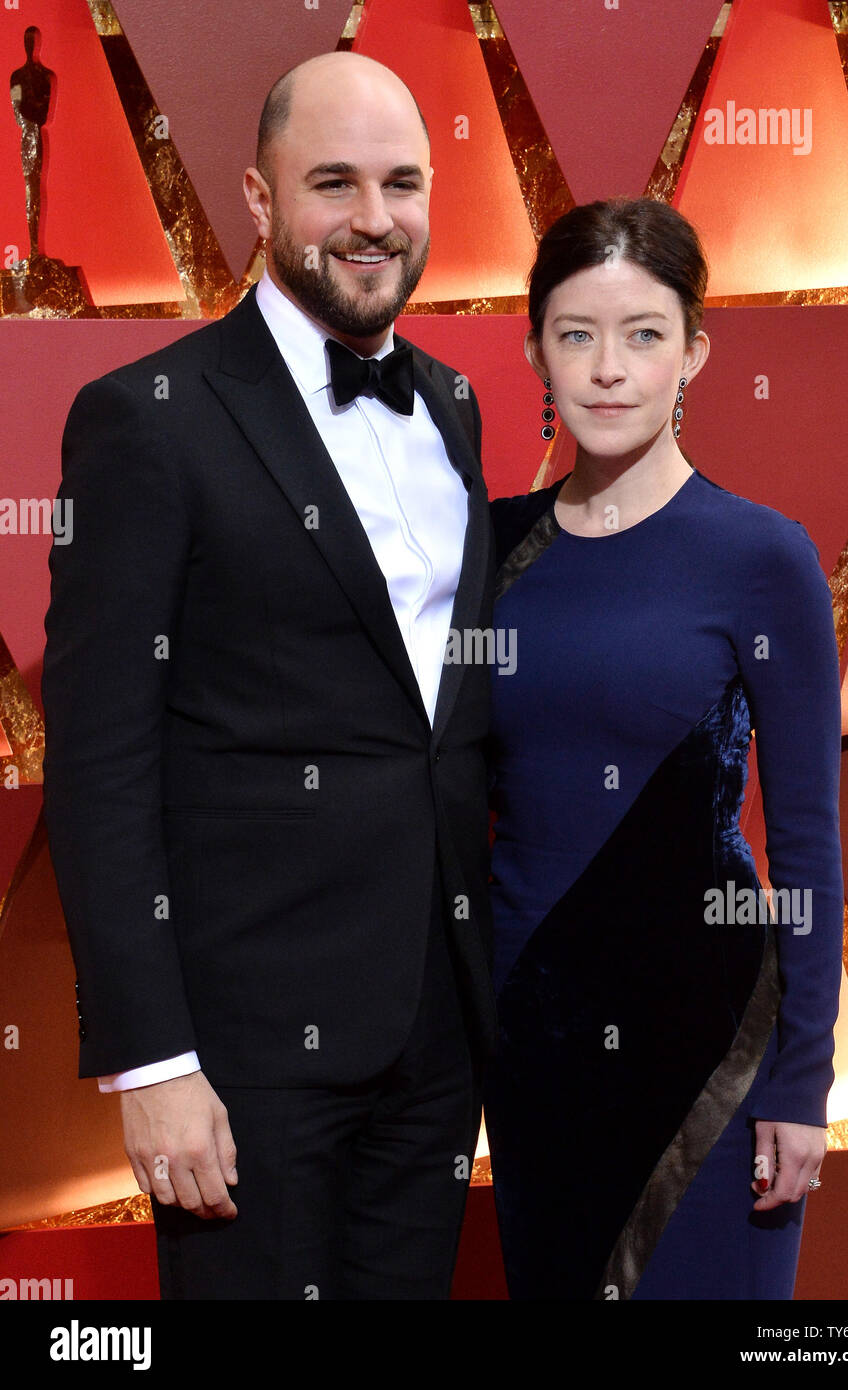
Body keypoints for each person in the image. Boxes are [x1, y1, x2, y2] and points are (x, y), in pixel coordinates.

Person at [41, 51, 497, 1300]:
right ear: (254, 197)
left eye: (401, 183)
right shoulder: (150, 417)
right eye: (332, 183)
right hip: (244, 1055)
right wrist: (151, 1063)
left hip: (436, 1025)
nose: (373, 220)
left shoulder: (454, 403)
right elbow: (99, 759)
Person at [482, 197, 843, 1300]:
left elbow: (807, 844)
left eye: (643, 333)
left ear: (694, 349)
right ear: (534, 345)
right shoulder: (488, 547)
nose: (607, 369)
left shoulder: (761, 556)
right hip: (532, 1043)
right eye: (575, 333)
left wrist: (799, 1081)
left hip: (713, 1055)